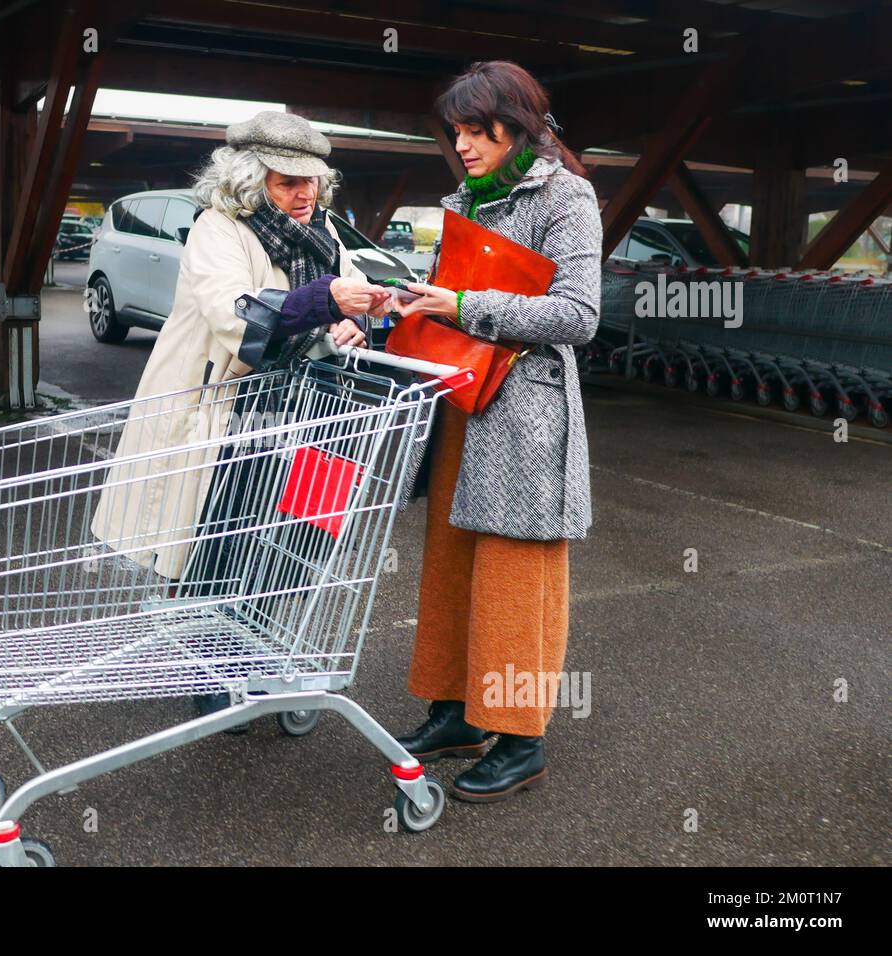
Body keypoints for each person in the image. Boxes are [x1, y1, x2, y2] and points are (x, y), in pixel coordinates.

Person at [89, 110, 391, 725]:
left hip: (315, 415)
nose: (304, 193)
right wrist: (324, 301)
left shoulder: (326, 232)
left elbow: (358, 299)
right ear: (251, 181)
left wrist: (357, 319)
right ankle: (211, 673)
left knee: (296, 545)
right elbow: (236, 314)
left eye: (311, 181)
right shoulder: (218, 230)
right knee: (222, 546)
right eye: (286, 181)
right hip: (229, 413)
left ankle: (256, 651)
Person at [391, 61, 602, 802]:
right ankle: (457, 712)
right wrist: (391, 314)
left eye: (475, 130)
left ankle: (520, 739)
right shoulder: (466, 201)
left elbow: (579, 316)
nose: (463, 144)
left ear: (514, 124)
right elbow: (444, 298)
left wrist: (464, 305)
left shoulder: (567, 197)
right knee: (451, 563)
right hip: (459, 403)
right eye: (456, 132)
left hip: (526, 414)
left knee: (515, 572)